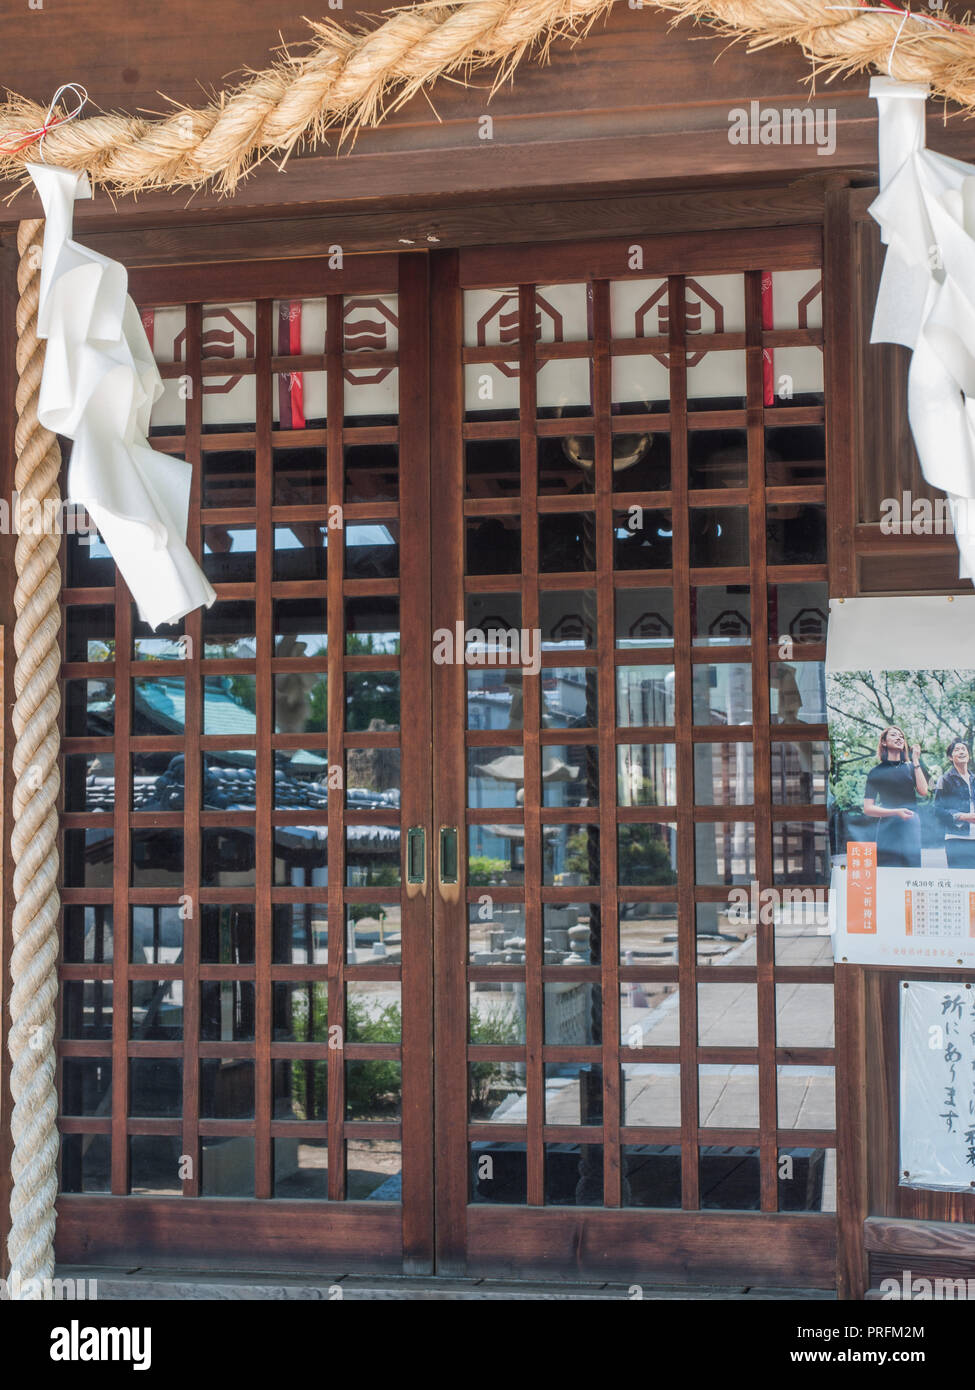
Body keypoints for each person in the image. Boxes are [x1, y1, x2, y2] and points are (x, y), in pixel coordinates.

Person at [862, 726, 928, 868]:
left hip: (910, 824)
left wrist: (915, 760)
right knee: (887, 871)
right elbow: (868, 808)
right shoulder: (875, 772)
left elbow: (923, 791)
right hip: (887, 827)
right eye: (893, 735)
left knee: (912, 870)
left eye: (901, 736)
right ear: (884, 742)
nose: (899, 738)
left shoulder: (911, 767)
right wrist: (895, 812)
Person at [933, 738, 975, 869]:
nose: (962, 752)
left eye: (964, 749)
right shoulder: (943, 779)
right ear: (950, 757)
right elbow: (937, 809)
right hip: (956, 838)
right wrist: (962, 816)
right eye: (957, 749)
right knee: (960, 882)